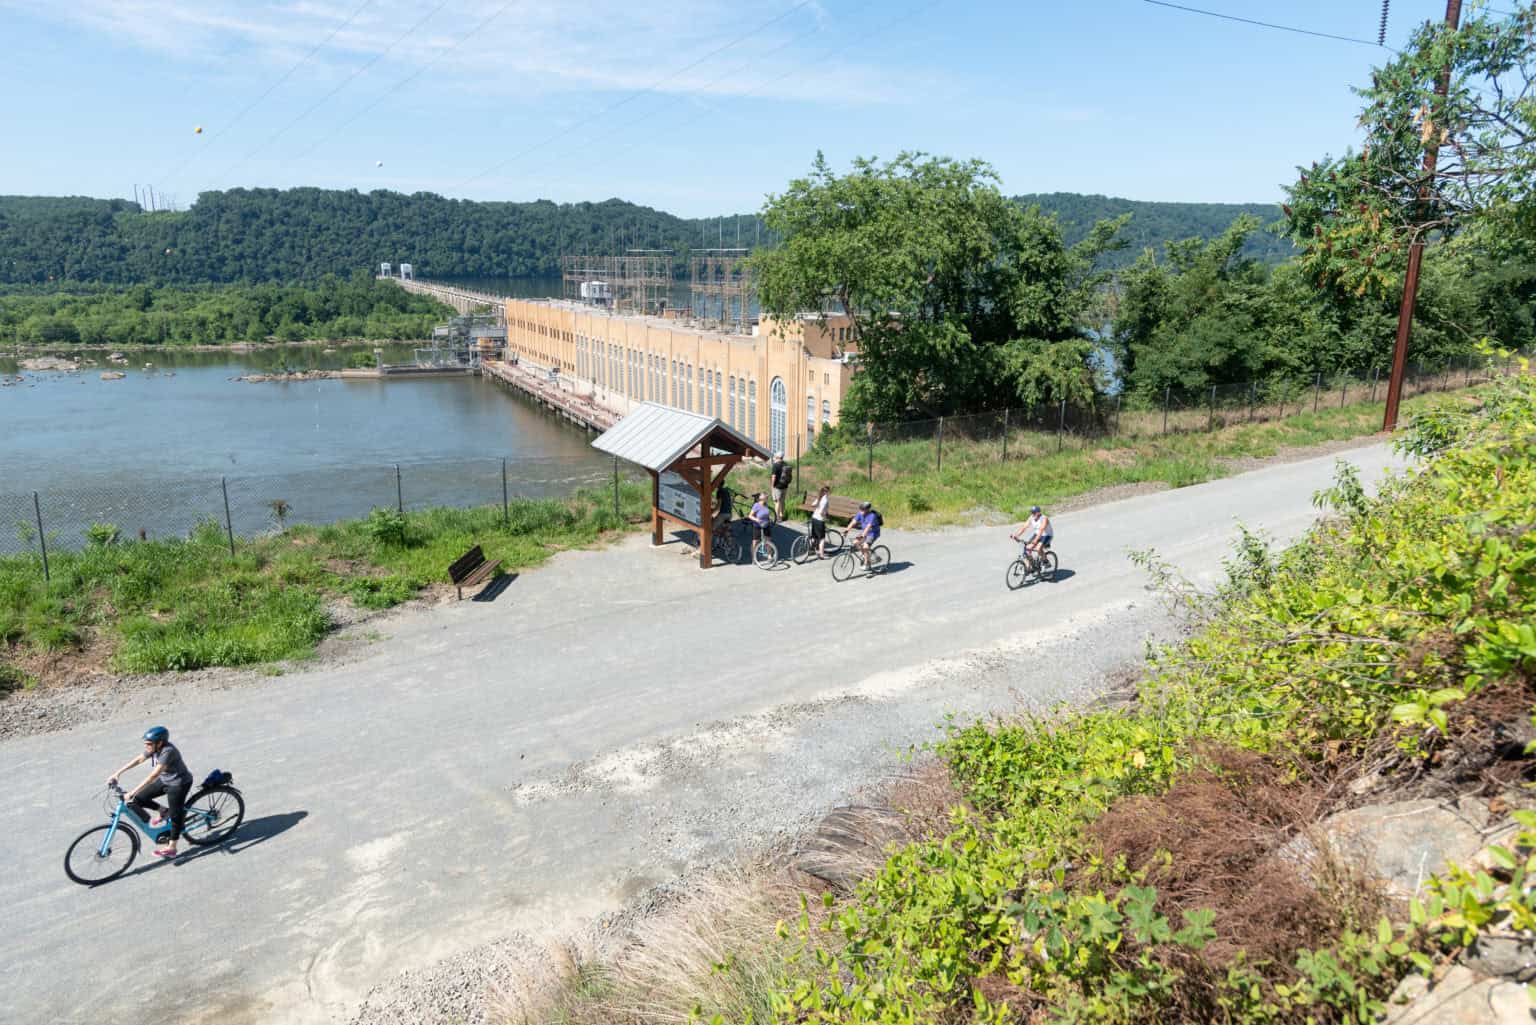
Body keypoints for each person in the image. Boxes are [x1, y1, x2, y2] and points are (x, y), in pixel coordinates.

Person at [107, 726, 194, 859]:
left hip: (179, 784)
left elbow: (153, 776)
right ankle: (163, 811)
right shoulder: (154, 748)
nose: (146, 746)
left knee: (176, 816)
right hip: (165, 780)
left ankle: (172, 848)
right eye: (145, 743)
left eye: (149, 744)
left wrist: (132, 791)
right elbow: (138, 759)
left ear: (159, 742)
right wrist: (118, 773)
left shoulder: (168, 751)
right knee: (139, 799)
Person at [848, 500, 882, 567]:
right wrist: (847, 530)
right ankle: (865, 555)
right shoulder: (860, 513)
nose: (861, 511)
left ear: (867, 510)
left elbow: (868, 527)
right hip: (864, 532)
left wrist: (862, 536)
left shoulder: (872, 516)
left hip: (873, 533)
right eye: (860, 509)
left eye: (863, 510)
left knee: (865, 547)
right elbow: (853, 522)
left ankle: (867, 564)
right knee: (855, 542)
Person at [810, 484, 831, 558]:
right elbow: (822, 512)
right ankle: (821, 555)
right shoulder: (825, 500)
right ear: (827, 492)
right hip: (819, 520)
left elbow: (812, 505)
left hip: (814, 518)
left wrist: (817, 506)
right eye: (829, 492)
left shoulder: (820, 497)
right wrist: (826, 518)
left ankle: (812, 549)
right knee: (822, 538)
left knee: (814, 536)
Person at [769, 453, 793, 520]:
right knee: (782, 501)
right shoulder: (786, 464)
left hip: (777, 487)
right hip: (785, 486)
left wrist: (772, 486)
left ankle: (777, 518)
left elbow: (773, 477)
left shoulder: (775, 465)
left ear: (777, 457)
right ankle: (781, 515)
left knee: (777, 502)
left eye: (776, 456)